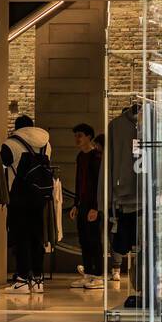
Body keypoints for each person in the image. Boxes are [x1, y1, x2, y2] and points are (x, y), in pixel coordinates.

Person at [1, 115, 53, 292]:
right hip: (40, 195)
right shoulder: (46, 144)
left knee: (20, 236)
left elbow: (3, 164)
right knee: (37, 235)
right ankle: (38, 279)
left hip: (18, 195)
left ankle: (23, 278)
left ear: (17, 128)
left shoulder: (10, 143)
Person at [67, 123, 104, 289]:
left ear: (89, 136)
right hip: (82, 204)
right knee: (83, 239)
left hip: (93, 205)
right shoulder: (80, 156)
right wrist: (76, 204)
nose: (77, 138)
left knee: (94, 239)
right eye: (76, 135)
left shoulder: (97, 157)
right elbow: (78, 182)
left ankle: (98, 275)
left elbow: (99, 184)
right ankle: (88, 273)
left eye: (80, 135)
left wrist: (96, 207)